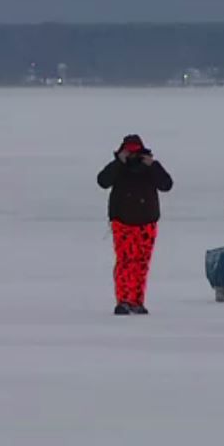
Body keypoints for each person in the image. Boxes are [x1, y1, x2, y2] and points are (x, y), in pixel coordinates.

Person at [97, 134, 173, 315]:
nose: (132, 157)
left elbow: (166, 184)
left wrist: (153, 165)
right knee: (125, 262)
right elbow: (102, 181)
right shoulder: (118, 168)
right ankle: (124, 300)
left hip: (146, 222)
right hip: (122, 223)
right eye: (129, 152)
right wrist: (118, 163)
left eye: (135, 152)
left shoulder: (149, 167)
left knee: (141, 263)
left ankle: (137, 300)